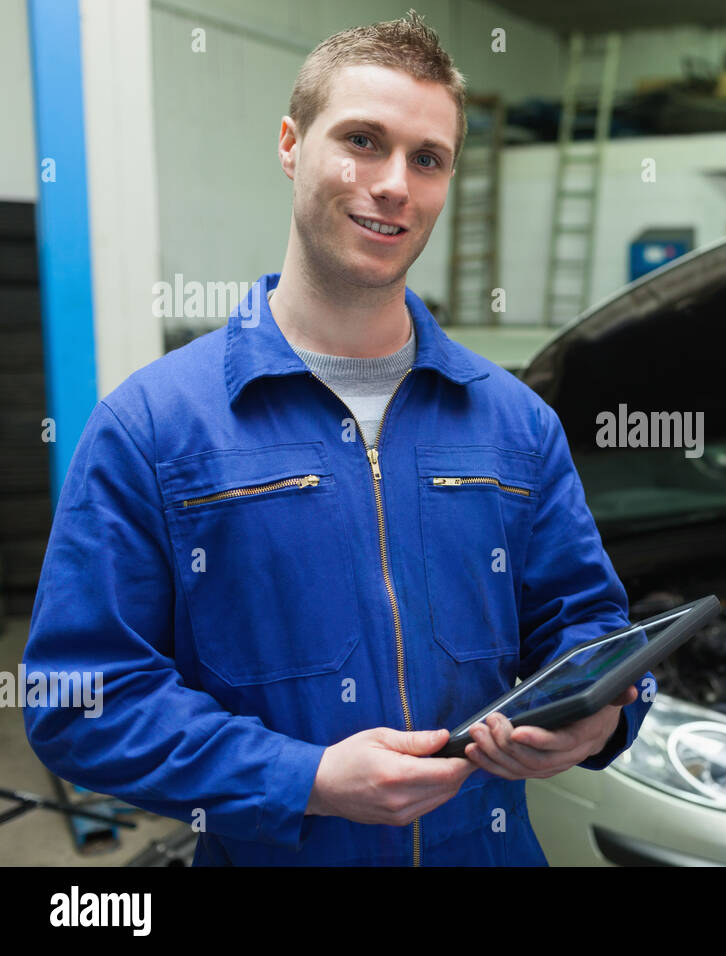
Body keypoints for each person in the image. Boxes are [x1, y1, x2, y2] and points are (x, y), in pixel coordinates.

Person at [22, 11, 653, 866]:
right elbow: (82, 699)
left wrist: (604, 712)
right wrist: (304, 778)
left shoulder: (516, 424)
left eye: (427, 159)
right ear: (291, 143)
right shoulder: (152, 427)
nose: (394, 183)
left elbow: (589, 627)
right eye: (363, 140)